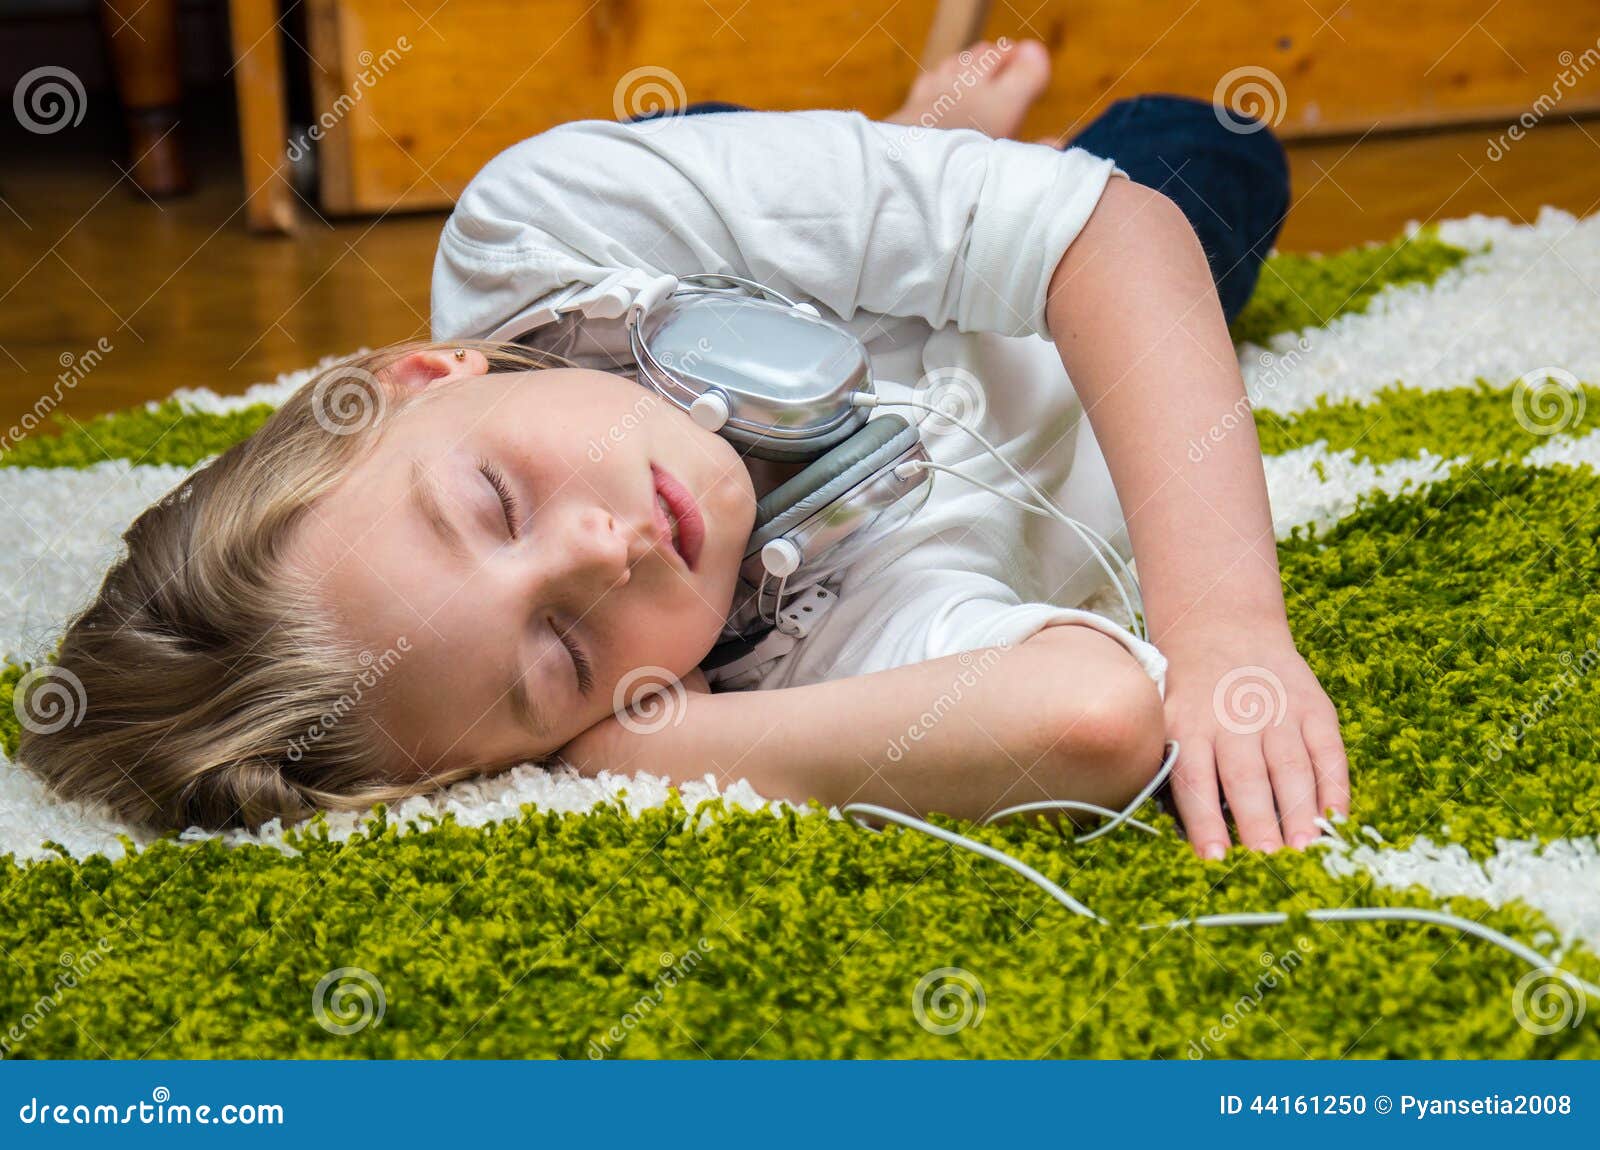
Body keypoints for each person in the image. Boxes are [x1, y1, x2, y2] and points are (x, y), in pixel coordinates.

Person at [18, 39, 1348, 855]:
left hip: (745, 228)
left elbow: (1104, 239)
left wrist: (1228, 623)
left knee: (687, 147)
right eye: (560, 653)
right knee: (1201, 151)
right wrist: (647, 751)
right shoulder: (806, 666)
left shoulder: (535, 234)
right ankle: (911, 177)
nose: (609, 549)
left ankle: (907, 160)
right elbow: (1094, 713)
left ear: (424, 374)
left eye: (490, 498)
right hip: (1057, 363)